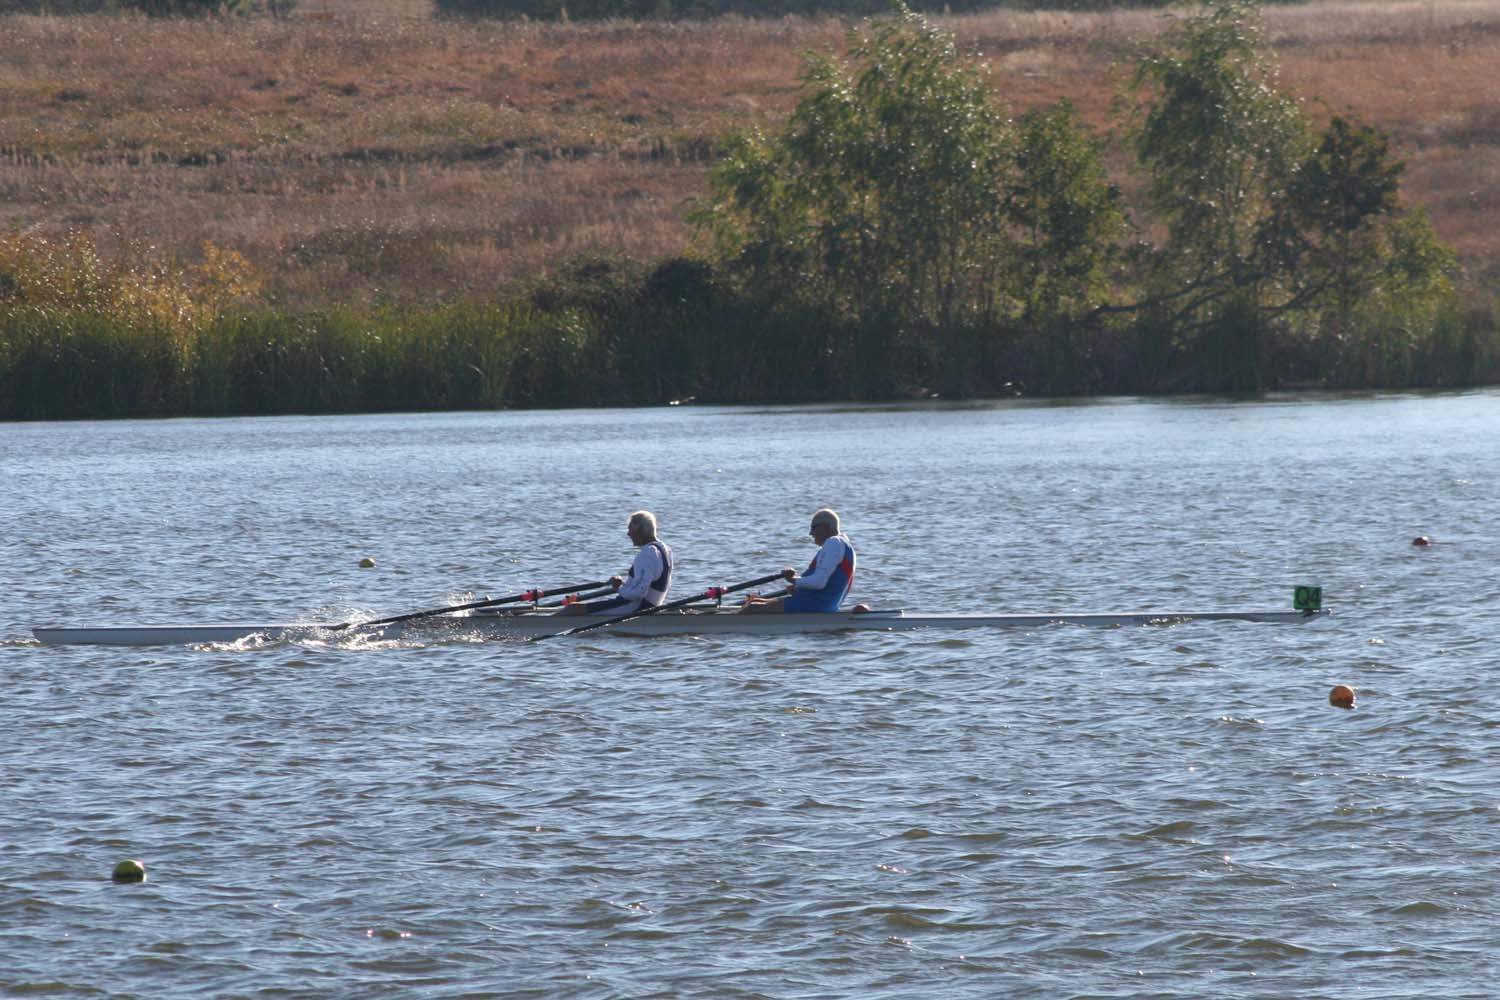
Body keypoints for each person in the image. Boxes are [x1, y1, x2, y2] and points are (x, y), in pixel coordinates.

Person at [741, 508, 855, 613]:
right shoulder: (842, 545)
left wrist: (793, 580)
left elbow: (819, 582)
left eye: (813, 527)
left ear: (824, 526)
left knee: (752, 608)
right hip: (814, 603)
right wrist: (800, 588)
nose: (811, 533)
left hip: (814, 606)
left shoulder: (834, 542)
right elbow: (826, 583)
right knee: (754, 602)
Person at [559, 510, 672, 616]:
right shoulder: (665, 549)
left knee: (572, 608)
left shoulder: (647, 553)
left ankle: (544, 628)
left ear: (640, 530)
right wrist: (622, 584)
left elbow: (638, 594)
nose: (628, 534)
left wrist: (619, 588)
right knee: (576, 607)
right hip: (650, 606)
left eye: (630, 529)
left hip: (636, 607)